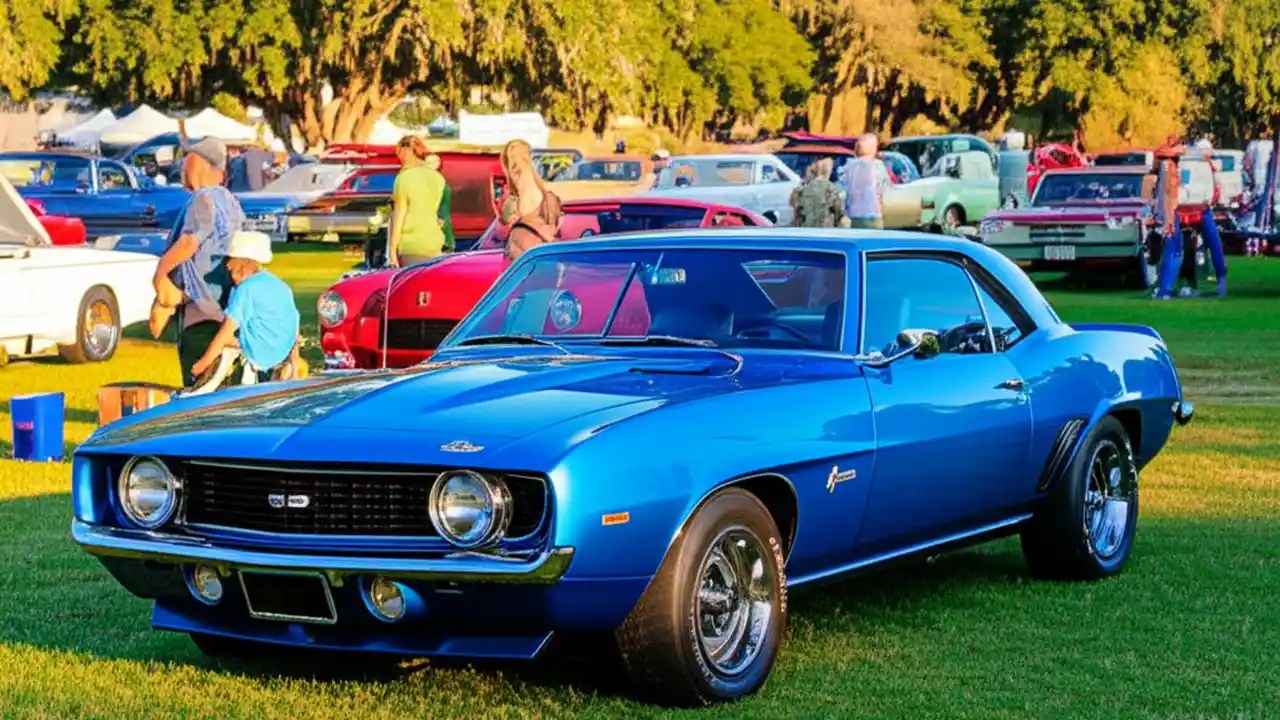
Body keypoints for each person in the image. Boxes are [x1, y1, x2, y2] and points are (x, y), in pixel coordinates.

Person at [149, 137, 246, 386]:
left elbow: (189, 242)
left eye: (186, 160)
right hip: (224, 309)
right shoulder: (232, 202)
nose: (182, 168)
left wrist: (160, 275)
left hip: (200, 313)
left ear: (199, 163)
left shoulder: (203, 198)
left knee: (197, 390)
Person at [190, 231, 300, 382]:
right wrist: (295, 360)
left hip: (259, 356)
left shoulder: (246, 289)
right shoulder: (280, 286)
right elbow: (294, 327)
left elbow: (226, 331)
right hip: (281, 353)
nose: (227, 266)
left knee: (220, 344)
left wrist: (202, 364)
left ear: (246, 263)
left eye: (231, 262)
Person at [499, 139, 562, 261]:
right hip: (547, 256)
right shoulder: (547, 197)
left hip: (525, 259)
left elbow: (501, 232)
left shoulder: (514, 200)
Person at [388, 135, 447, 267]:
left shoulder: (403, 178)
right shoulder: (438, 178)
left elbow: (399, 215)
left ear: (405, 152)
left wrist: (392, 249)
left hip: (412, 243)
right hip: (434, 240)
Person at [843, 133, 891, 229]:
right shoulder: (877, 165)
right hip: (873, 215)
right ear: (873, 148)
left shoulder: (850, 166)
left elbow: (845, 189)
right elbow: (886, 189)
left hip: (855, 215)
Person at [790, 157, 843, 228]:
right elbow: (838, 211)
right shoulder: (831, 189)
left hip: (807, 229)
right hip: (825, 229)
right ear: (828, 170)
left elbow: (796, 211)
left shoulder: (803, 189)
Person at [426, 153, 456, 252]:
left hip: (439, 224)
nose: (429, 164)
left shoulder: (437, 181)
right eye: (428, 162)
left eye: (433, 162)